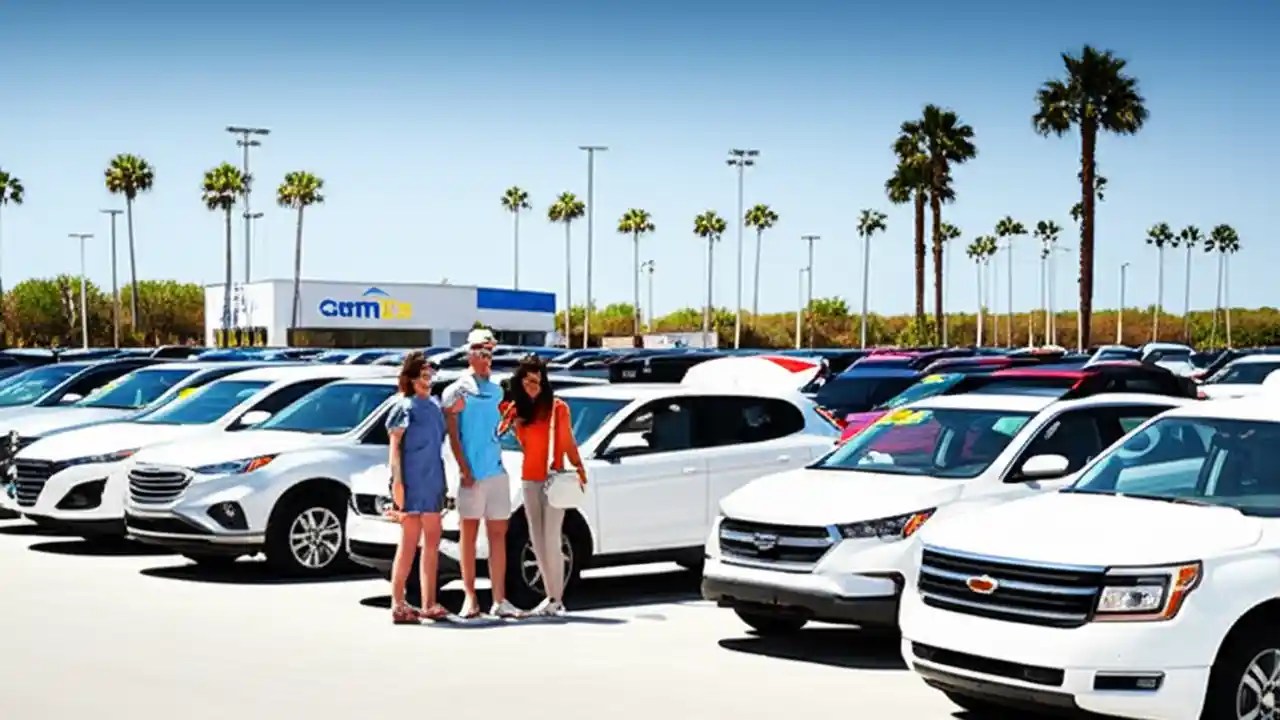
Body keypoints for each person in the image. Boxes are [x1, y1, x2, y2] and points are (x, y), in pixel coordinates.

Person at [441, 329, 521, 618]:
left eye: (490, 353)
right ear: (469, 354)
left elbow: (498, 428)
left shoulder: (498, 390)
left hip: (496, 472)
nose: (486, 358)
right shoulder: (457, 390)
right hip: (471, 475)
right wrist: (464, 468)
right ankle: (470, 597)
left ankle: (499, 599)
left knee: (498, 534)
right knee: (469, 535)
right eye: (481, 352)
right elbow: (452, 435)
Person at [498, 355, 587, 616]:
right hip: (529, 478)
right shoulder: (518, 410)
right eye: (527, 381)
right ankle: (550, 597)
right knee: (536, 541)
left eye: (536, 380)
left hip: (554, 477)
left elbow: (568, 441)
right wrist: (510, 412)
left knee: (551, 538)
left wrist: (578, 467)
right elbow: (505, 432)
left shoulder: (558, 408)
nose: (532, 385)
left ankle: (556, 599)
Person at [385, 351, 449, 624]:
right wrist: (397, 482)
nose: (428, 380)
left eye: (430, 376)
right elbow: (395, 448)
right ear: (411, 379)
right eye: (423, 376)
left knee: (432, 541)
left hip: (433, 480)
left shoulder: (434, 407)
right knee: (409, 542)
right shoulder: (403, 407)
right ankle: (398, 603)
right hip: (412, 482)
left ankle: (428, 602)